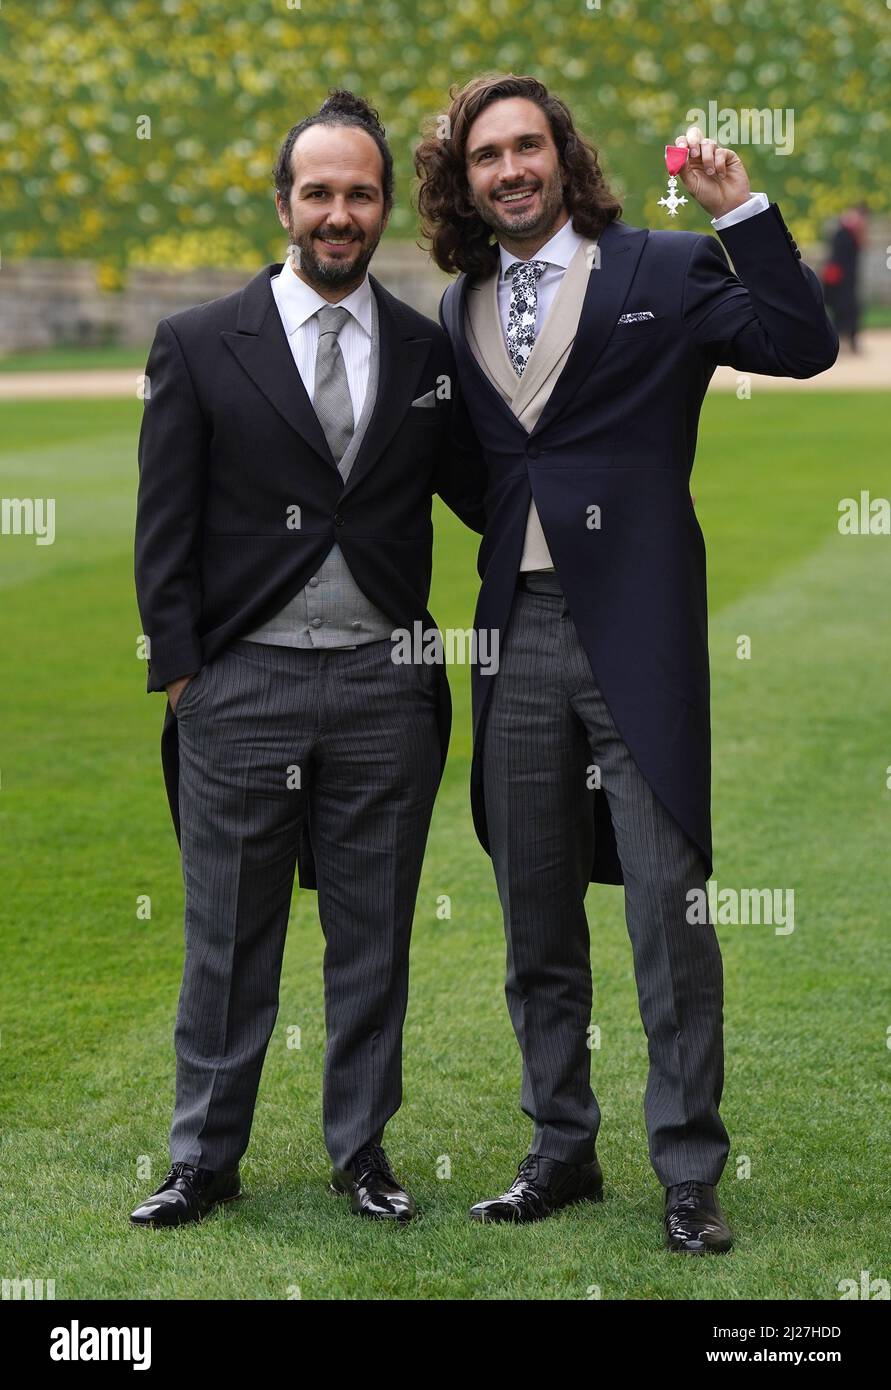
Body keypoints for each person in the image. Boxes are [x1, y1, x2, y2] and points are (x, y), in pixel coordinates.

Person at [415, 73, 838, 1253]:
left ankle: (689, 1170)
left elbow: (803, 344)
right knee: (534, 913)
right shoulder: (461, 307)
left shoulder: (662, 266)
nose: (510, 168)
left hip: (640, 634)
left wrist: (741, 217)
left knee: (668, 911)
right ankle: (560, 1147)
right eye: (486, 154)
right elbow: (480, 471)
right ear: (468, 180)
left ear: (565, 155)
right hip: (518, 635)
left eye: (527, 146)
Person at [131, 91, 484, 1229]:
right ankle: (203, 1157)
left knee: (374, 938)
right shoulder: (195, 342)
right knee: (227, 939)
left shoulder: (430, 349)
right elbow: (162, 530)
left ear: (385, 206)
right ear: (285, 202)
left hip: (386, 687)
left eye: (361, 193)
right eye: (320, 192)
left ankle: (361, 1152)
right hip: (245, 688)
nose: (340, 212)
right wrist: (189, 679)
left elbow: (485, 490)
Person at [821, 203, 869, 352]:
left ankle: (847, 343)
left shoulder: (851, 231)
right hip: (840, 279)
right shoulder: (844, 232)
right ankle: (837, 343)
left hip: (847, 279)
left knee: (848, 310)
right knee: (843, 310)